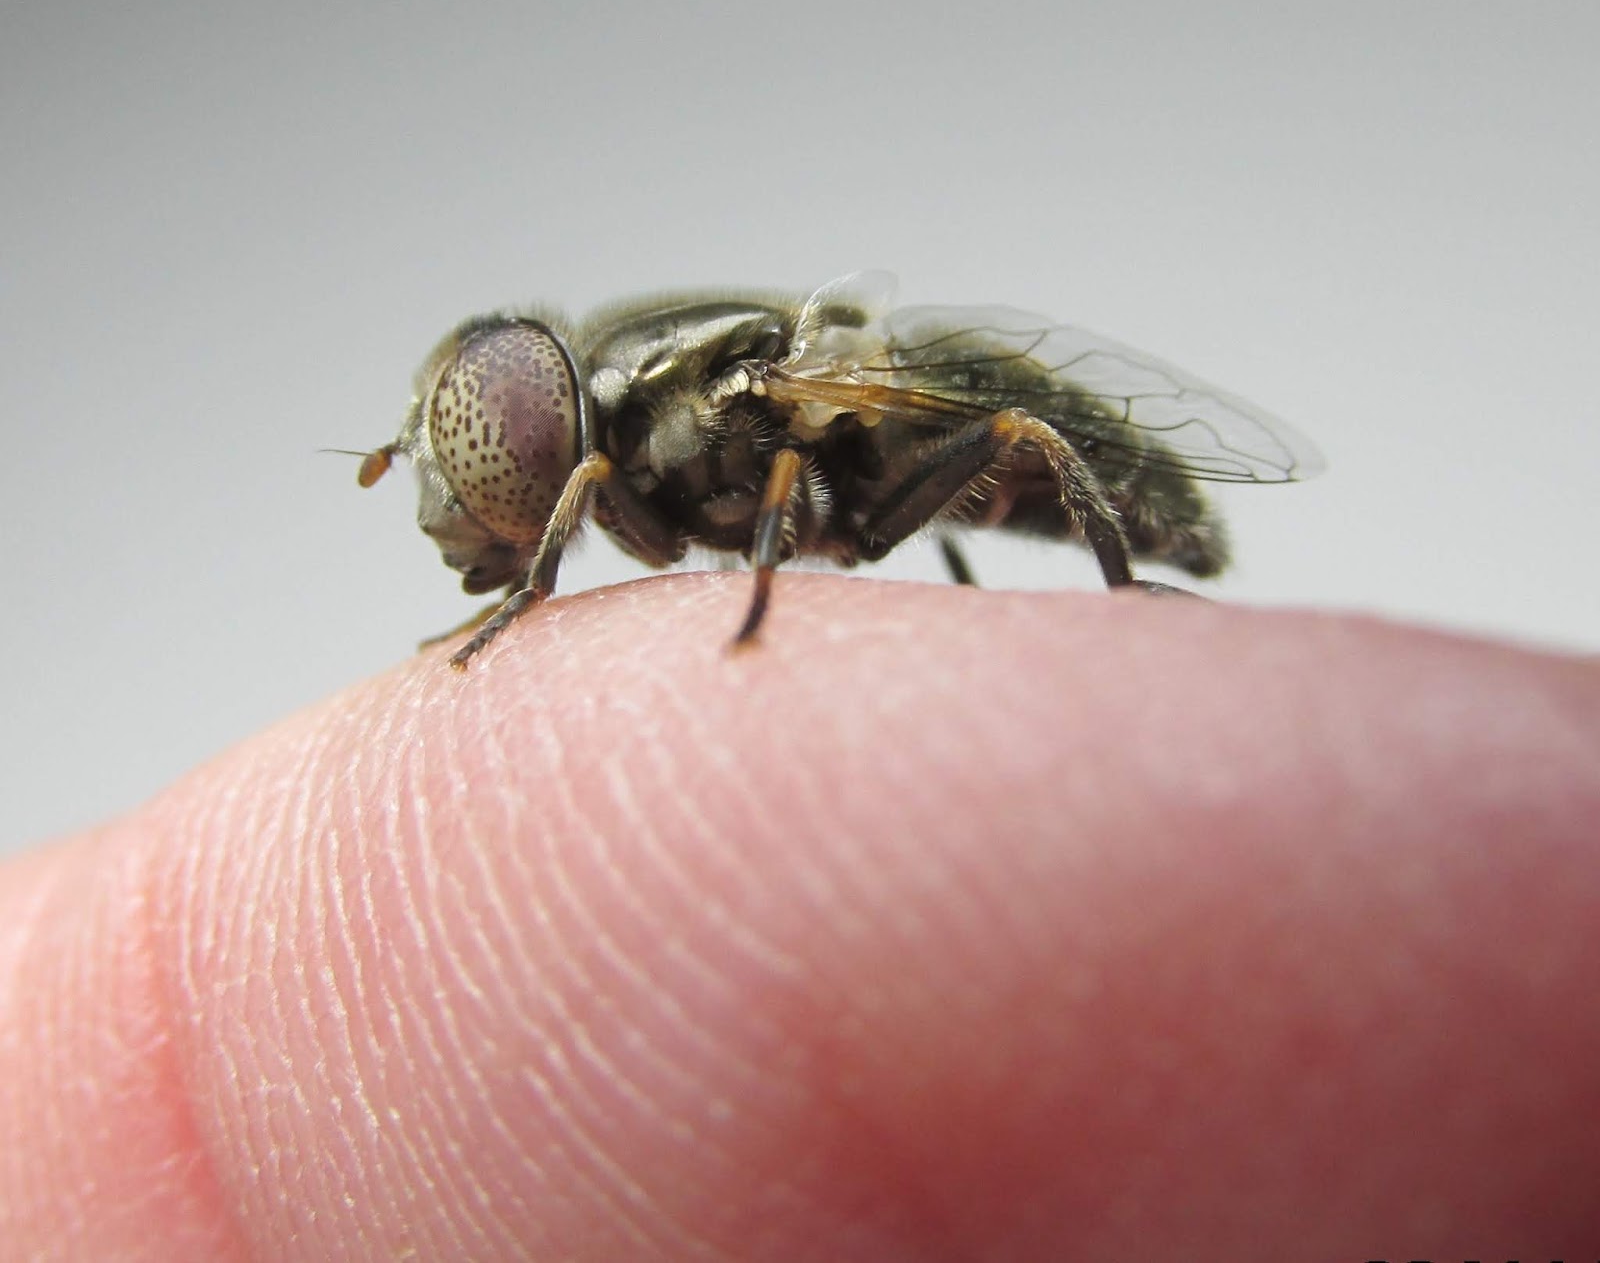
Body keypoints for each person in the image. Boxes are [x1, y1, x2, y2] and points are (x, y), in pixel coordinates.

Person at [2, 573, 1596, 1260]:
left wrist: (767, 583)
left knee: (1013, 436)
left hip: (948, 466)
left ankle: (1114, 599)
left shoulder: (750, 429)